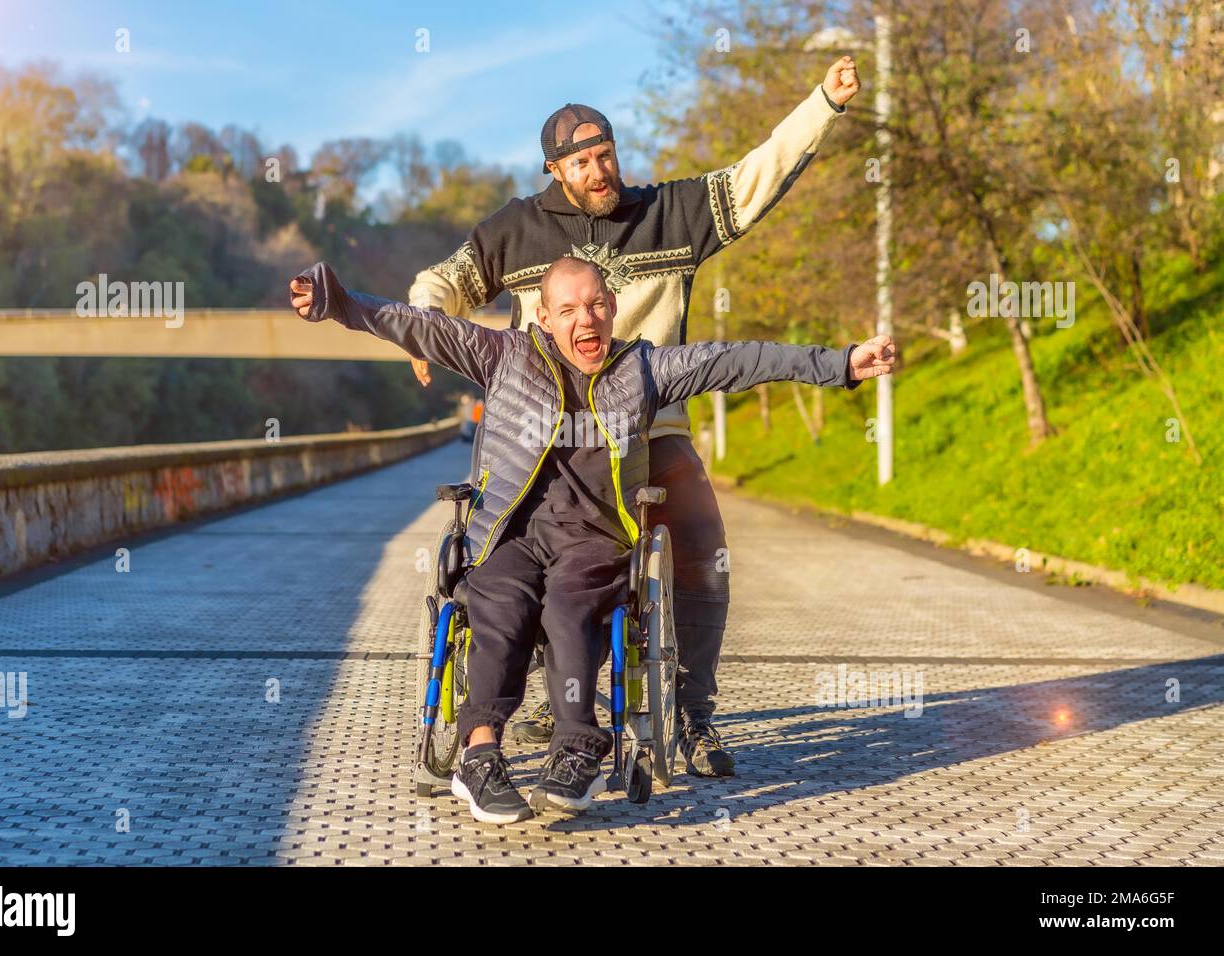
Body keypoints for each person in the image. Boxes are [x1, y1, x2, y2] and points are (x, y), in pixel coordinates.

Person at [288, 257, 895, 823]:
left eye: (597, 305)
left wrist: (839, 365)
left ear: (611, 306)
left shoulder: (643, 369)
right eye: (570, 310)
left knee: (570, 606)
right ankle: (480, 756)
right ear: (544, 319)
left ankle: (576, 748)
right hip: (511, 532)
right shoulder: (502, 356)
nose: (587, 320)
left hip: (595, 539)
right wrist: (336, 300)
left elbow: (738, 359)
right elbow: (412, 324)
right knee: (499, 605)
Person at [402, 57, 862, 776]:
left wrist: (823, 104)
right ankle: (551, 705)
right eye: (582, 159)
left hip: (655, 430)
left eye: (606, 153)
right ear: (556, 168)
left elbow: (757, 176)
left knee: (705, 553)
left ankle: (695, 716)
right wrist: (426, 324)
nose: (599, 167)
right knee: (535, 555)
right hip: (550, 442)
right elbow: (445, 281)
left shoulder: (668, 214)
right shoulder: (515, 231)